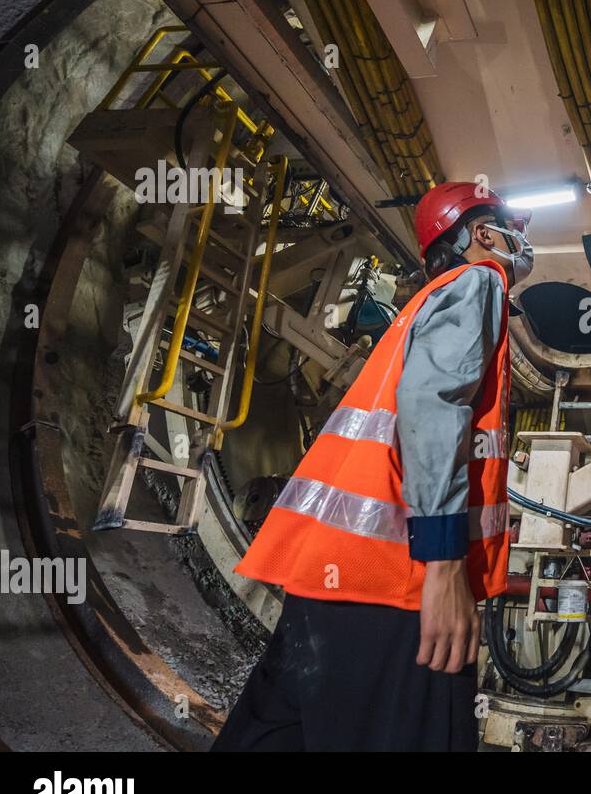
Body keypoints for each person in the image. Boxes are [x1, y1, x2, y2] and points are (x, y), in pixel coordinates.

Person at [213, 180, 533, 751]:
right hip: (395, 585)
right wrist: (443, 567)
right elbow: (433, 406)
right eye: (514, 227)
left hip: (330, 579)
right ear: (483, 234)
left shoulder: (420, 308)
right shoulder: (480, 281)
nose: (521, 240)